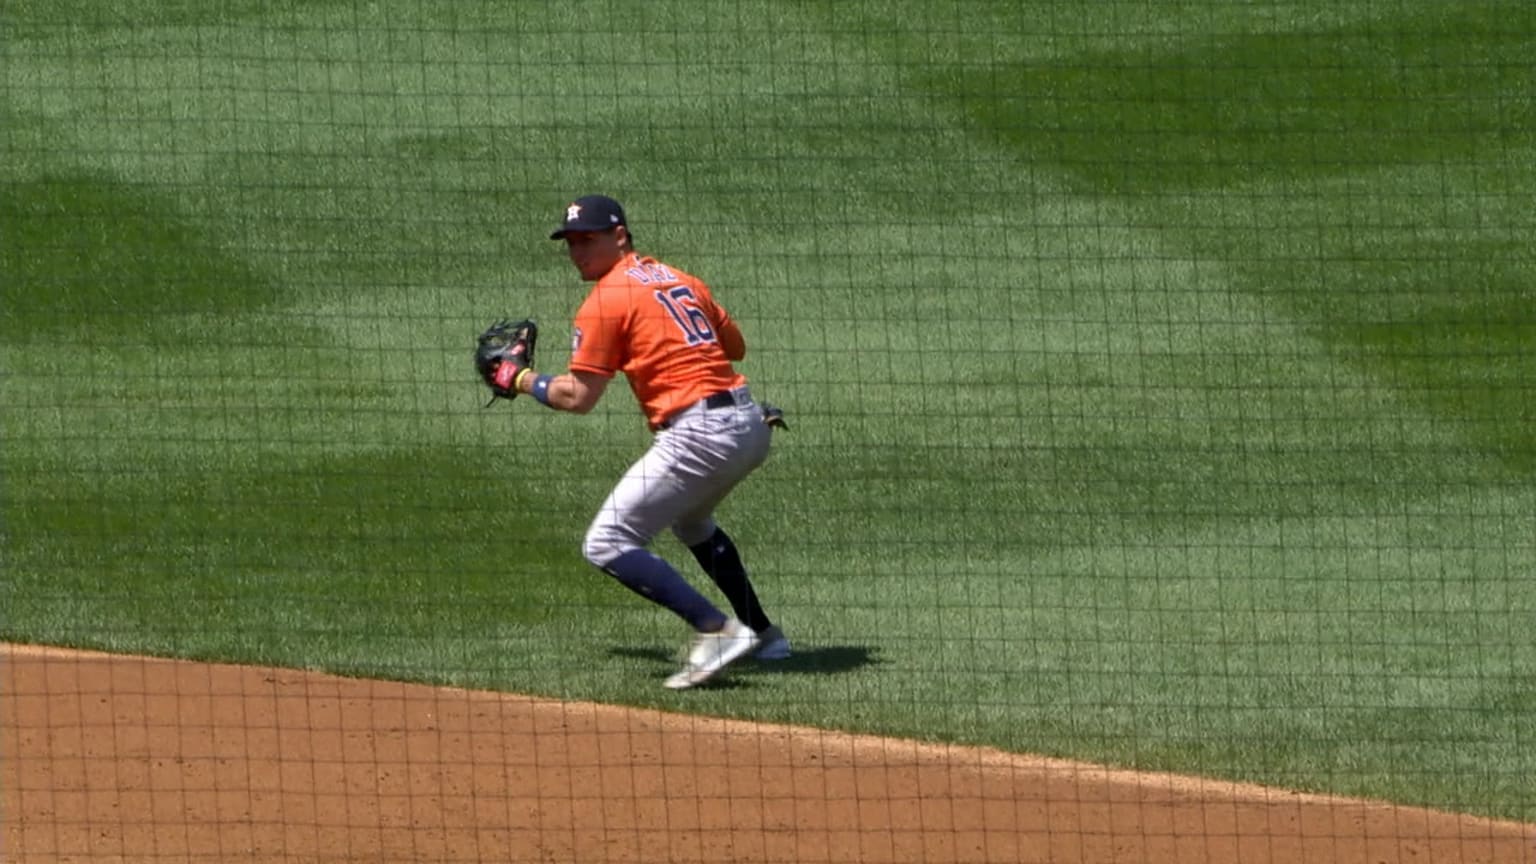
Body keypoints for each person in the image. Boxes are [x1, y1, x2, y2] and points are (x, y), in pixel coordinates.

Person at [501, 194, 788, 690]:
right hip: (749, 424)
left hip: (702, 434)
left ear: (620, 236)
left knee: (606, 541)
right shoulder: (681, 279)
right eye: (571, 243)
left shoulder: (606, 300)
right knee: (692, 522)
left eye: (587, 240)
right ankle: (765, 635)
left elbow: (577, 398)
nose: (577, 252)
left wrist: (519, 378)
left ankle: (717, 630)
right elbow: (735, 347)